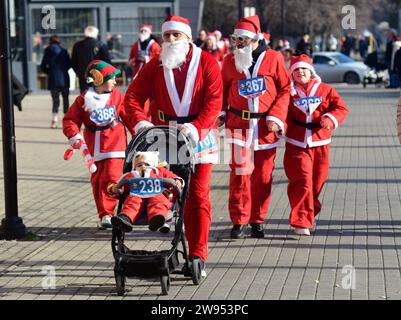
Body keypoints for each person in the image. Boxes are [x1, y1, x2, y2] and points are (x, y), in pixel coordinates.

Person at [124, 15, 223, 277]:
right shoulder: (156, 64)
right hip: (164, 139)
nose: (170, 40)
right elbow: (132, 96)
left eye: (176, 35)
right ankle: (166, 235)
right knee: (167, 191)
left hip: (199, 138)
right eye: (166, 35)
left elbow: (214, 101)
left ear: (188, 38)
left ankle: (198, 255)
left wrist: (195, 127)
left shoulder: (208, 62)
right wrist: (141, 124)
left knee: (197, 197)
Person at [219, 15, 291, 239]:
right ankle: (239, 219)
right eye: (235, 39)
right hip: (238, 124)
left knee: (262, 176)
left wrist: (277, 116)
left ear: (255, 39)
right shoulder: (230, 61)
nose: (238, 43)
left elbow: (285, 89)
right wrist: (221, 113)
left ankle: (257, 219)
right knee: (240, 174)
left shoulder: (273, 58)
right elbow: (221, 90)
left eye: (242, 39)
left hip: (264, 126)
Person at [62, 60, 134, 229]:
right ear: (99, 79)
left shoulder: (117, 97)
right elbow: (70, 119)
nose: (116, 82)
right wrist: (74, 134)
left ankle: (112, 212)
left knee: (111, 178)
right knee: (97, 181)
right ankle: (104, 214)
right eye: (112, 78)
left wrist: (140, 132)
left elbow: (129, 117)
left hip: (115, 145)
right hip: (93, 147)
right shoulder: (83, 99)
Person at [284, 54, 349, 235]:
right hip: (296, 143)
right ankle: (301, 222)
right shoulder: (288, 92)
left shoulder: (326, 89)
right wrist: (280, 125)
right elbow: (282, 112)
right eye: (296, 70)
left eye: (303, 69)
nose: (300, 72)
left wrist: (330, 118)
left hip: (321, 142)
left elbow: (341, 108)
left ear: (311, 71)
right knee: (302, 180)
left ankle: (308, 211)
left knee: (317, 182)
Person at [109, 151, 184, 233]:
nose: (143, 167)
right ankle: (125, 219)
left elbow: (172, 177)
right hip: (136, 196)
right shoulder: (131, 174)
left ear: (153, 164)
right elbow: (119, 186)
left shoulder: (160, 171)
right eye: (139, 165)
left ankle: (156, 219)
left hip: (156, 194)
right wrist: (115, 189)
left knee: (158, 202)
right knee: (132, 203)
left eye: (147, 164)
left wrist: (177, 181)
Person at [40, 35, 71, 128]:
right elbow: (69, 64)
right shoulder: (64, 51)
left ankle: (54, 120)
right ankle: (67, 121)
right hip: (64, 79)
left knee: (55, 101)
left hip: (53, 79)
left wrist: (49, 72)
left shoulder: (48, 51)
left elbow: (42, 66)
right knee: (66, 99)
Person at [71, 26, 111, 93]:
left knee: (85, 96)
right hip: (99, 76)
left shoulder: (77, 46)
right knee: (98, 96)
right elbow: (107, 62)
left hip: (83, 76)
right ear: (96, 34)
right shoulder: (101, 45)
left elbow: (73, 62)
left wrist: (79, 73)